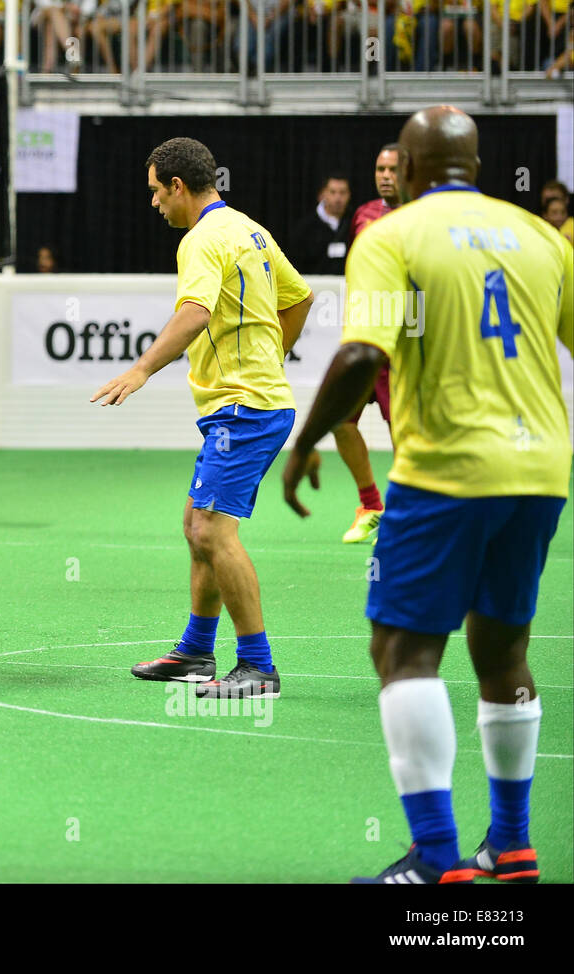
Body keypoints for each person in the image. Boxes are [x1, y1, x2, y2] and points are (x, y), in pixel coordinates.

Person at [283, 105, 572, 884]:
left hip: (446, 469)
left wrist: (306, 443)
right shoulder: (543, 237)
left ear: (405, 170)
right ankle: (512, 844)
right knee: (503, 650)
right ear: (475, 168)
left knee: (402, 651)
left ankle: (436, 855)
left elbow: (360, 355)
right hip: (541, 472)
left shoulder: (392, 235)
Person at [94, 137, 314, 699]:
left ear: (177, 186)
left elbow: (193, 313)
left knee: (212, 531)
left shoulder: (201, 239)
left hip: (246, 408)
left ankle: (258, 667)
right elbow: (300, 298)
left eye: (155, 192)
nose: (153, 203)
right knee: (197, 525)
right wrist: (272, 356)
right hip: (249, 403)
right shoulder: (249, 229)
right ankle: (195, 652)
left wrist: (141, 369)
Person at [332, 143, 402, 546]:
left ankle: (407, 516)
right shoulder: (363, 214)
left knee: (405, 439)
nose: (385, 175)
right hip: (363, 343)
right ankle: (371, 506)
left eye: (392, 169)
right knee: (341, 421)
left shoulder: (422, 216)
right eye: (380, 168)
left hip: (402, 349)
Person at [289, 172, 351, 275]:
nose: (338, 198)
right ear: (323, 194)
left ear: (349, 195)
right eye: (332, 192)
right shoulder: (305, 228)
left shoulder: (355, 223)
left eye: (342, 192)